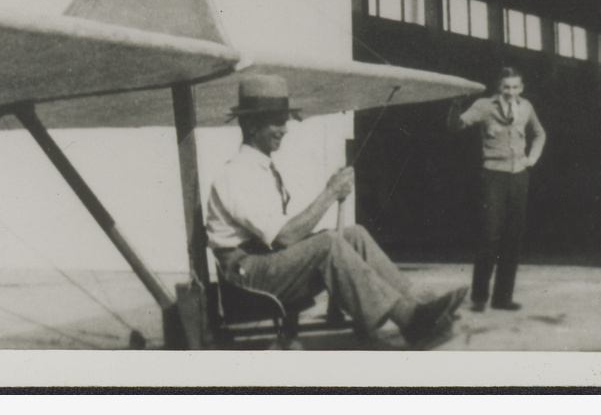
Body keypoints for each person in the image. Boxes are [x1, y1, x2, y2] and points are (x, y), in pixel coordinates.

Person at [206, 74, 467, 349]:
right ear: (250, 125)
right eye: (277, 121)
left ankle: (417, 304)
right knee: (328, 244)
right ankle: (410, 320)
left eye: (285, 121)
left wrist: (330, 192)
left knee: (354, 235)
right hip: (245, 274)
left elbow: (282, 237)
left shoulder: (259, 168)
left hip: (265, 261)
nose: (285, 129)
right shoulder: (236, 174)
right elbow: (285, 236)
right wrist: (331, 192)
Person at [448, 66, 546, 313]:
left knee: (513, 237)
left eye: (515, 87)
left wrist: (532, 158)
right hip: (493, 176)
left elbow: (539, 133)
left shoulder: (526, 107)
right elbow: (456, 125)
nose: (511, 92)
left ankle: (503, 298)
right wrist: (456, 105)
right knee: (489, 235)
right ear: (499, 87)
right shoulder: (484, 106)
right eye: (506, 87)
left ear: (521, 88)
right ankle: (479, 296)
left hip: (519, 176)